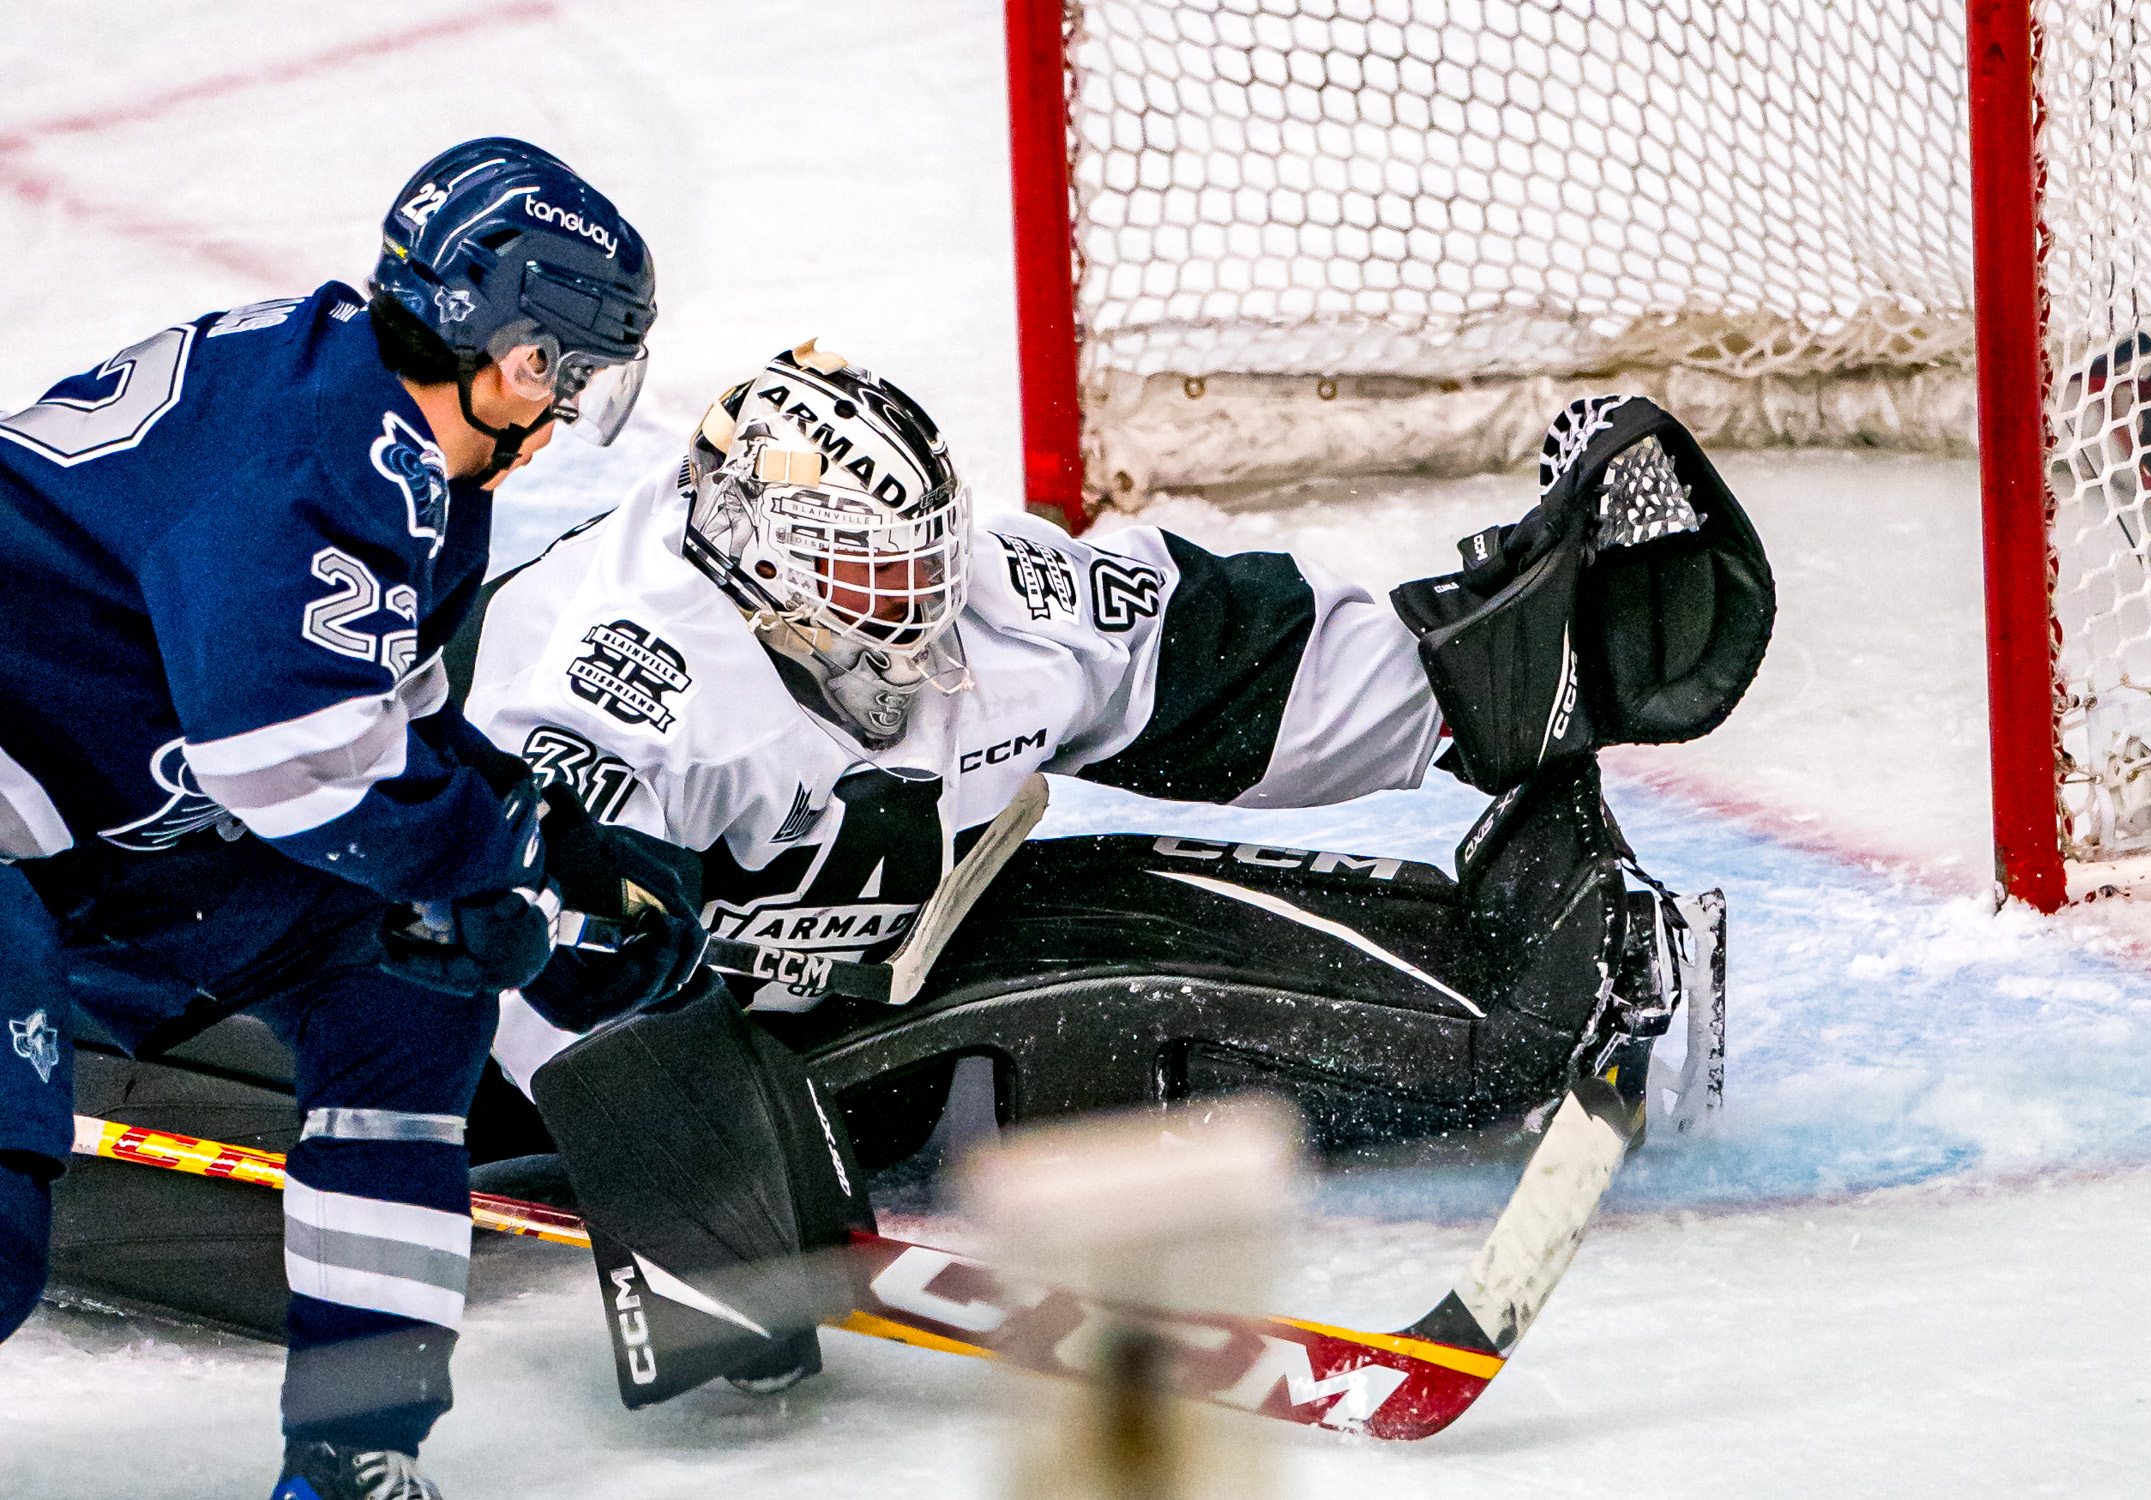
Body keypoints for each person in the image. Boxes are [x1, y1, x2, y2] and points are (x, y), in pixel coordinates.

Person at [455, 345, 1772, 1403]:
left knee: (1157, 949)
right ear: (750, 549)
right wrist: (682, 1161)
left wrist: (1481, 682)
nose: (911, 613)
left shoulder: (973, 602)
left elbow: (1208, 663)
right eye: (866, 575)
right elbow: (505, 926)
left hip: (874, 954)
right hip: (573, 1039)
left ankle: (1550, 999)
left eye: (921, 565)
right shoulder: (609, 675)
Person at [0, 137, 690, 1500]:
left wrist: (550, 843)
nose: (568, 409)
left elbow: (391, 733)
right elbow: (289, 770)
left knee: (403, 994)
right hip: (47, 828)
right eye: (570, 368)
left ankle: (352, 1457)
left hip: (97, 832)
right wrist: (505, 880)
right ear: (515, 354)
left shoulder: (410, 456)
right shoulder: (320, 456)